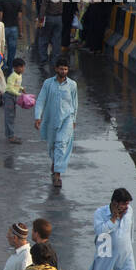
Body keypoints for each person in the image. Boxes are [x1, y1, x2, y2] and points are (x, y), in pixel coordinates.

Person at [33, 56, 77, 187]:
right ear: (56, 69)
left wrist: (74, 119)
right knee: (52, 145)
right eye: (61, 69)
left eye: (65, 69)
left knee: (61, 144)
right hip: (51, 119)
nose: (63, 71)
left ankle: (57, 175)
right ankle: (55, 163)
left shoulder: (72, 85)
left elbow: (75, 103)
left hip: (67, 120)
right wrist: (37, 117)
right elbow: (41, 100)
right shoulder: (48, 83)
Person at [2, 56, 27, 144]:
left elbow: (16, 85)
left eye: (23, 67)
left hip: (13, 96)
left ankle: (10, 135)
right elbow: (9, 88)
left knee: (12, 116)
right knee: (10, 116)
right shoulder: (13, 76)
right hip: (9, 96)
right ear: (16, 68)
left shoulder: (19, 75)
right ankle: (11, 136)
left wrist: (21, 88)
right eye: (22, 67)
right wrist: (19, 94)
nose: (23, 69)